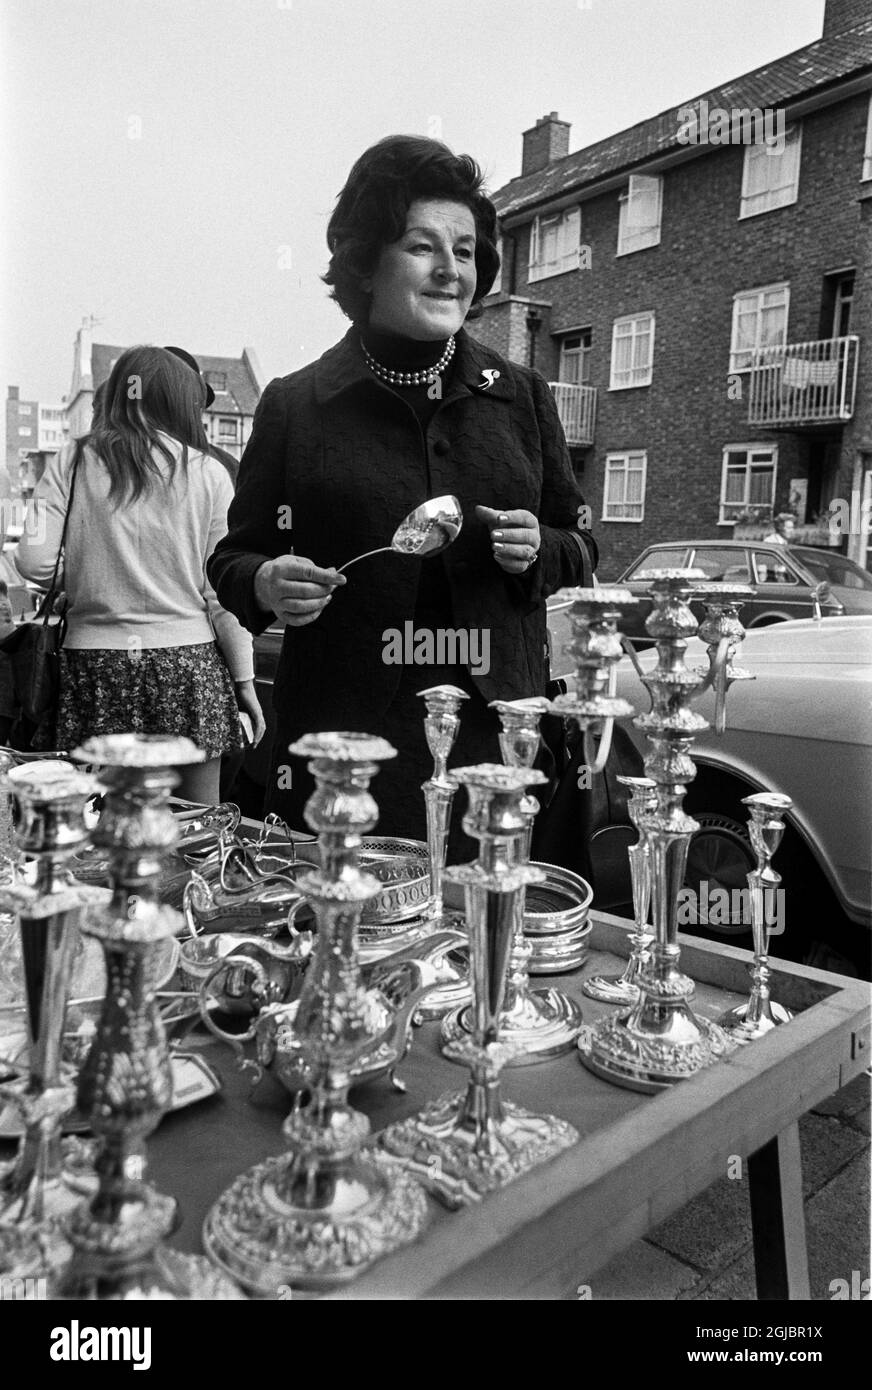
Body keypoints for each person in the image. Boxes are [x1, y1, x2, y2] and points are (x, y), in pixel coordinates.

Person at [208, 135, 597, 855]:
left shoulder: (522, 397)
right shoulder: (297, 404)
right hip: (345, 748)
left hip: (493, 740)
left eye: (467, 249)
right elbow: (234, 561)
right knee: (347, 936)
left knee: (487, 941)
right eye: (423, 247)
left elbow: (581, 545)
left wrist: (544, 548)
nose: (453, 269)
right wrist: (264, 581)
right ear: (365, 261)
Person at [16, 345, 265, 803]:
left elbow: (32, 561)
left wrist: (90, 574)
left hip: (96, 665)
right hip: (189, 665)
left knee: (106, 825)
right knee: (198, 826)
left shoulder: (69, 461)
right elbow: (222, 594)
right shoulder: (209, 472)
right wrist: (244, 681)